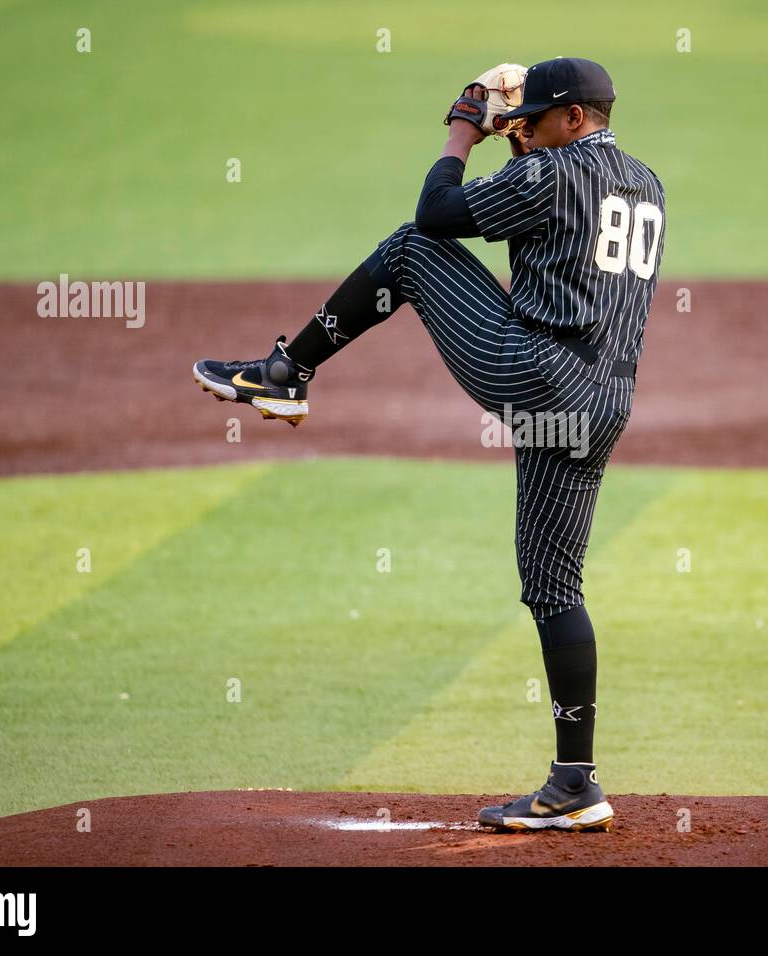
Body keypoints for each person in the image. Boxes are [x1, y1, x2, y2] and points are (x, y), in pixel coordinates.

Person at [193, 57, 665, 831]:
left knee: (412, 248)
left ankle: (287, 370)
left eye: (538, 119)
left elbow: (439, 209)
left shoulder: (549, 176)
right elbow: (552, 255)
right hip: (600, 403)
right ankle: (575, 781)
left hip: (535, 373)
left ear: (576, 117)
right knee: (554, 588)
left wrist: (464, 127)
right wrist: (516, 138)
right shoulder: (647, 185)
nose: (526, 128)